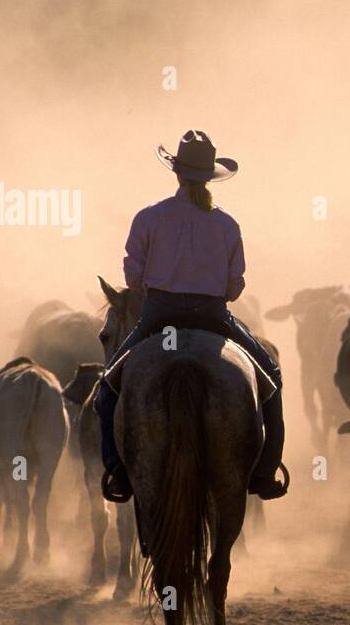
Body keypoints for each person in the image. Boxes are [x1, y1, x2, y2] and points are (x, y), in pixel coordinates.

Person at [97, 129, 287, 503]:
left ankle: (118, 472)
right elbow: (234, 287)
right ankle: (264, 473)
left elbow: (133, 279)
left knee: (106, 389)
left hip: (157, 317)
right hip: (213, 318)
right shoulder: (227, 224)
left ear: (176, 173)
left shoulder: (148, 217)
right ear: (210, 177)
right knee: (272, 382)